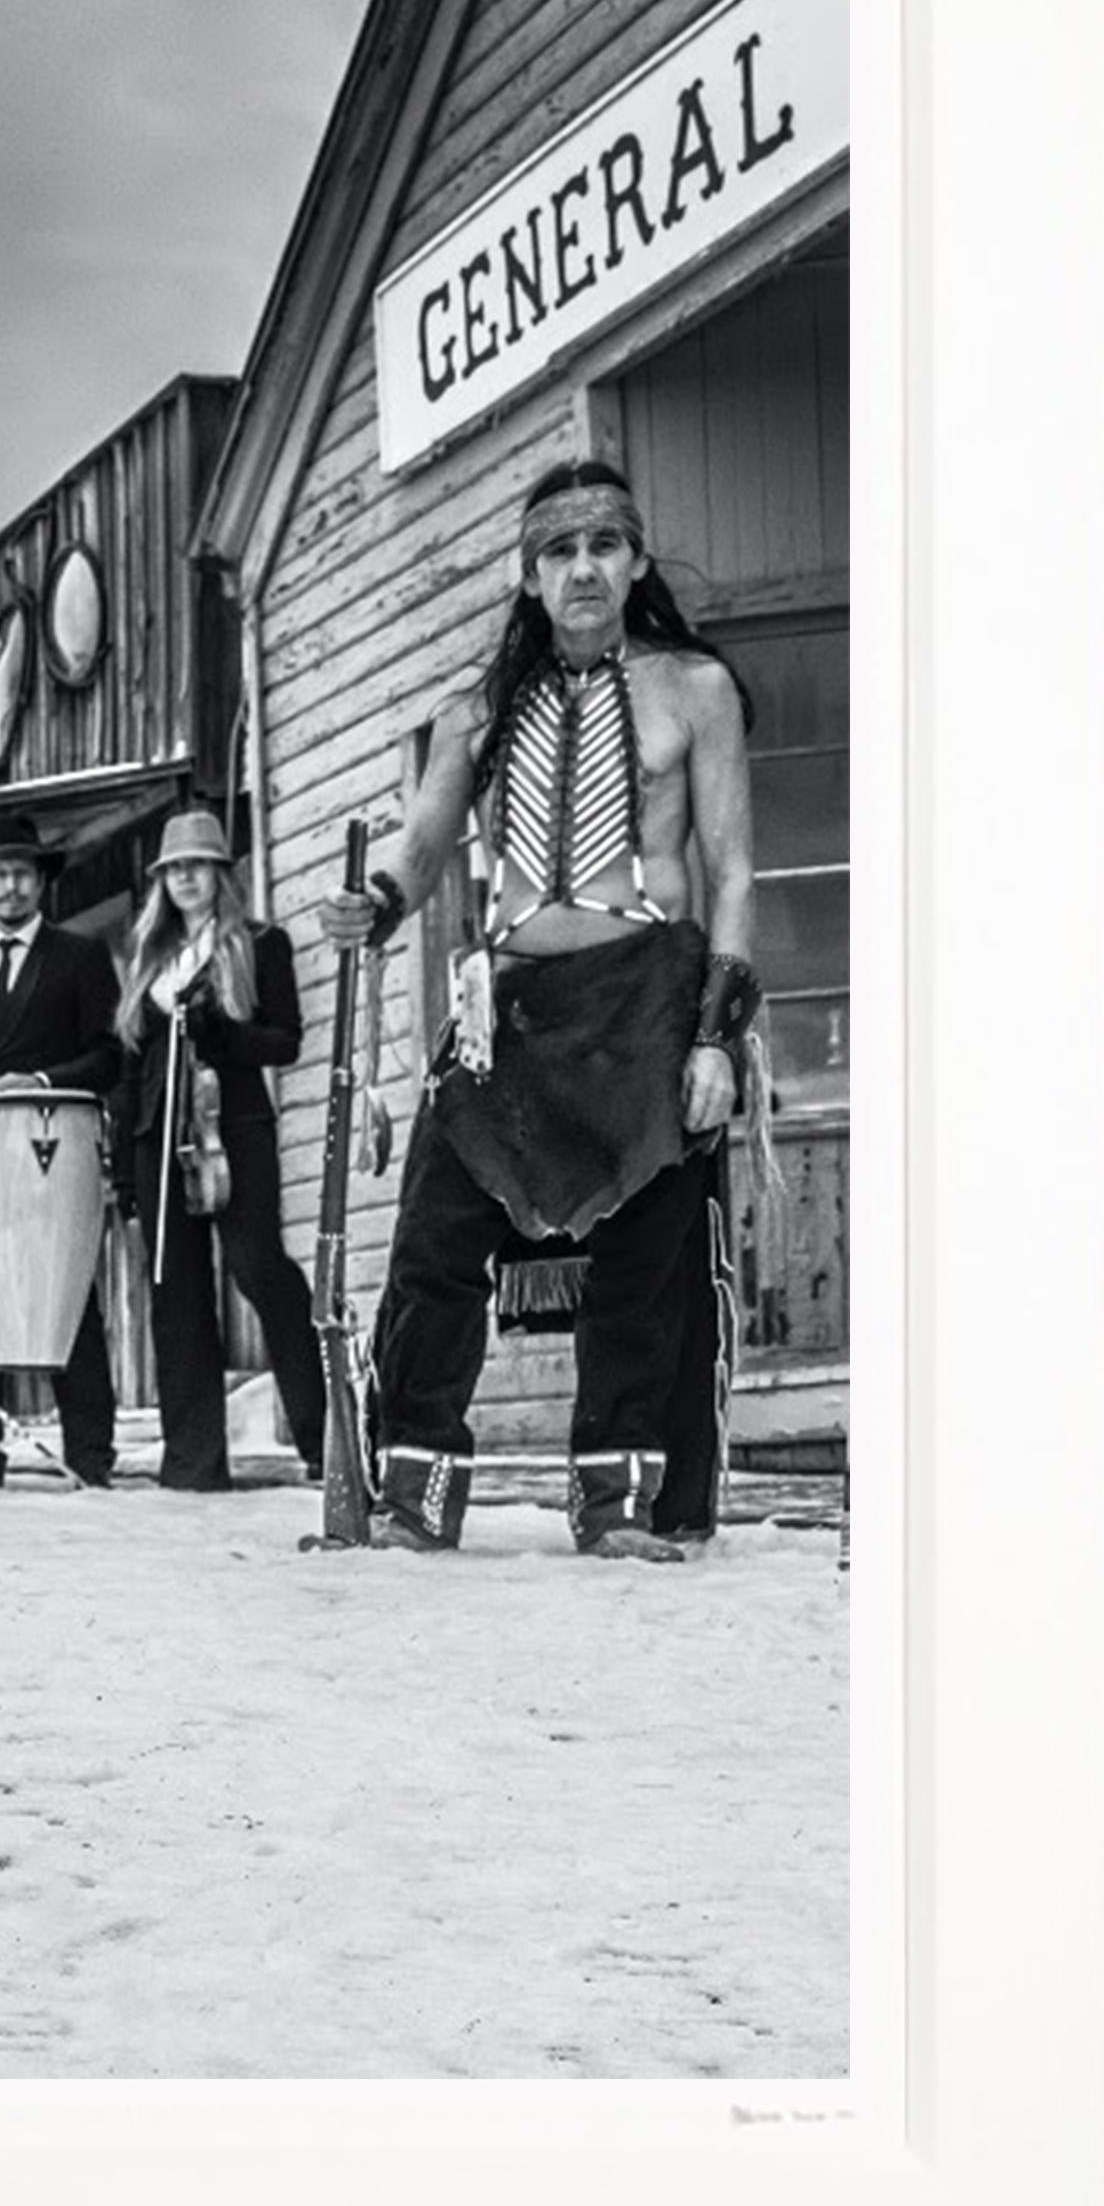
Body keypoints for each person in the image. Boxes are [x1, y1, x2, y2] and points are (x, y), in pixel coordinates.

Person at [317, 455, 755, 1558]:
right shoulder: (475, 713)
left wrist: (716, 1038)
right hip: (507, 1010)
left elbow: (732, 869)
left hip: (646, 1003)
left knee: (645, 1260)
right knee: (433, 1240)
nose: (582, 568)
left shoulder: (693, 690)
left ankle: (617, 1506)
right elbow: (421, 848)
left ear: (636, 558)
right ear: (528, 575)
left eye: (603, 545)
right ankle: (413, 1494)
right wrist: (375, 901)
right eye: (558, 551)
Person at [109, 809, 327, 1490]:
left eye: (197, 866)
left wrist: (222, 1034)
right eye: (173, 869)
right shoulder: (148, 959)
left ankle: (325, 1438)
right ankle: (193, 1462)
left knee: (258, 1268)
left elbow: (285, 1040)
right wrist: (123, 1164)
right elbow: (127, 1070)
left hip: (231, 1127)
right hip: (157, 1136)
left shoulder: (259, 943)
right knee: (173, 1290)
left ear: (219, 874)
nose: (185, 879)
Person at [0, 815, 127, 1485]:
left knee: (65, 1289)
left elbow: (109, 1055)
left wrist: (40, 1080)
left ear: (40, 883)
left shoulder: (80, 956)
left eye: (22, 874)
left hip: (50, 1144)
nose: (10, 886)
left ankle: (90, 1454)